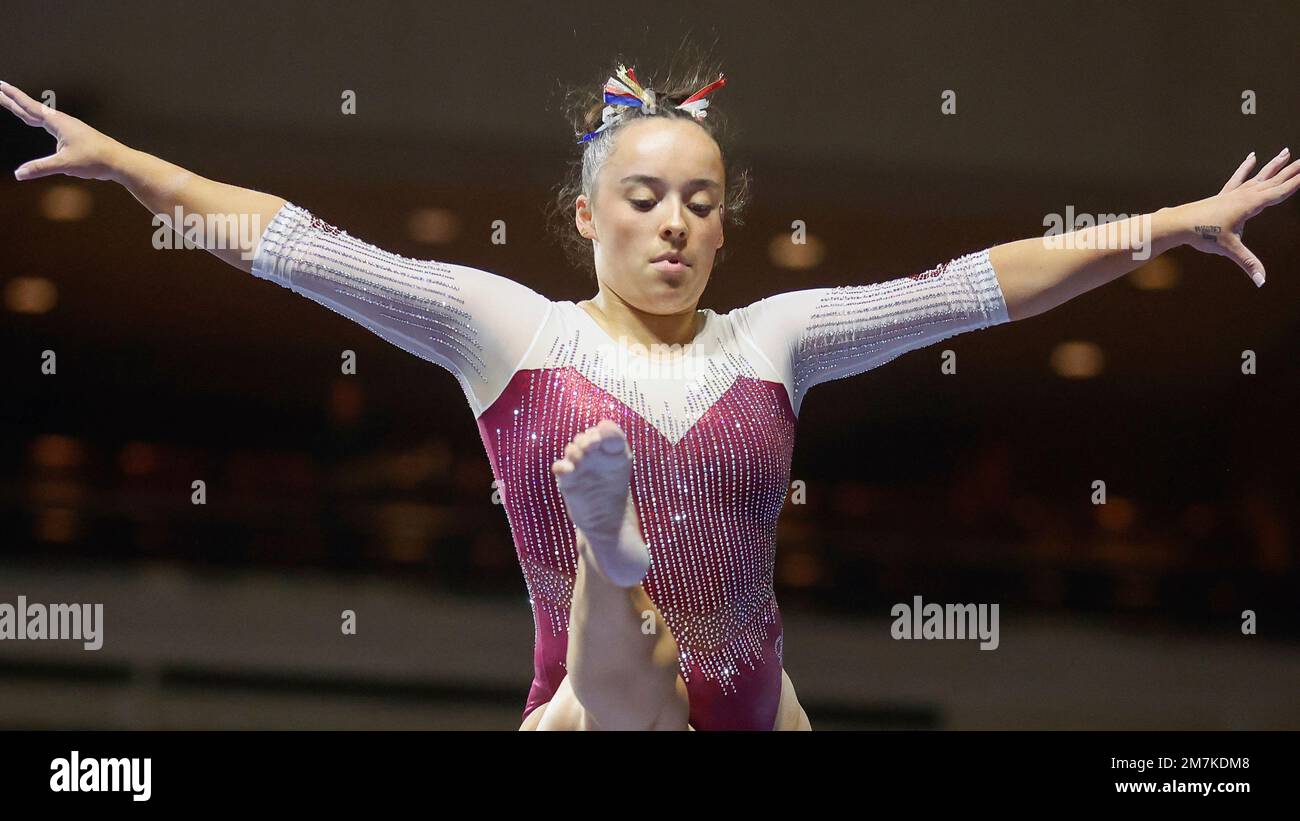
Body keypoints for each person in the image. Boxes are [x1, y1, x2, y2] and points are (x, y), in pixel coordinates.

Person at [3, 55, 1295, 731]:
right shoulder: (502, 326)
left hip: (752, 701)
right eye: (643, 198)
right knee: (617, 682)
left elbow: (977, 287)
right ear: (586, 216)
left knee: (674, 666)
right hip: (591, 698)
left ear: (727, 229)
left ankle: (611, 552)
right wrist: (131, 168)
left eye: (700, 203)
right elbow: (299, 245)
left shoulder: (783, 336)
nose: (674, 224)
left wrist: (1171, 223)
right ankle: (608, 555)